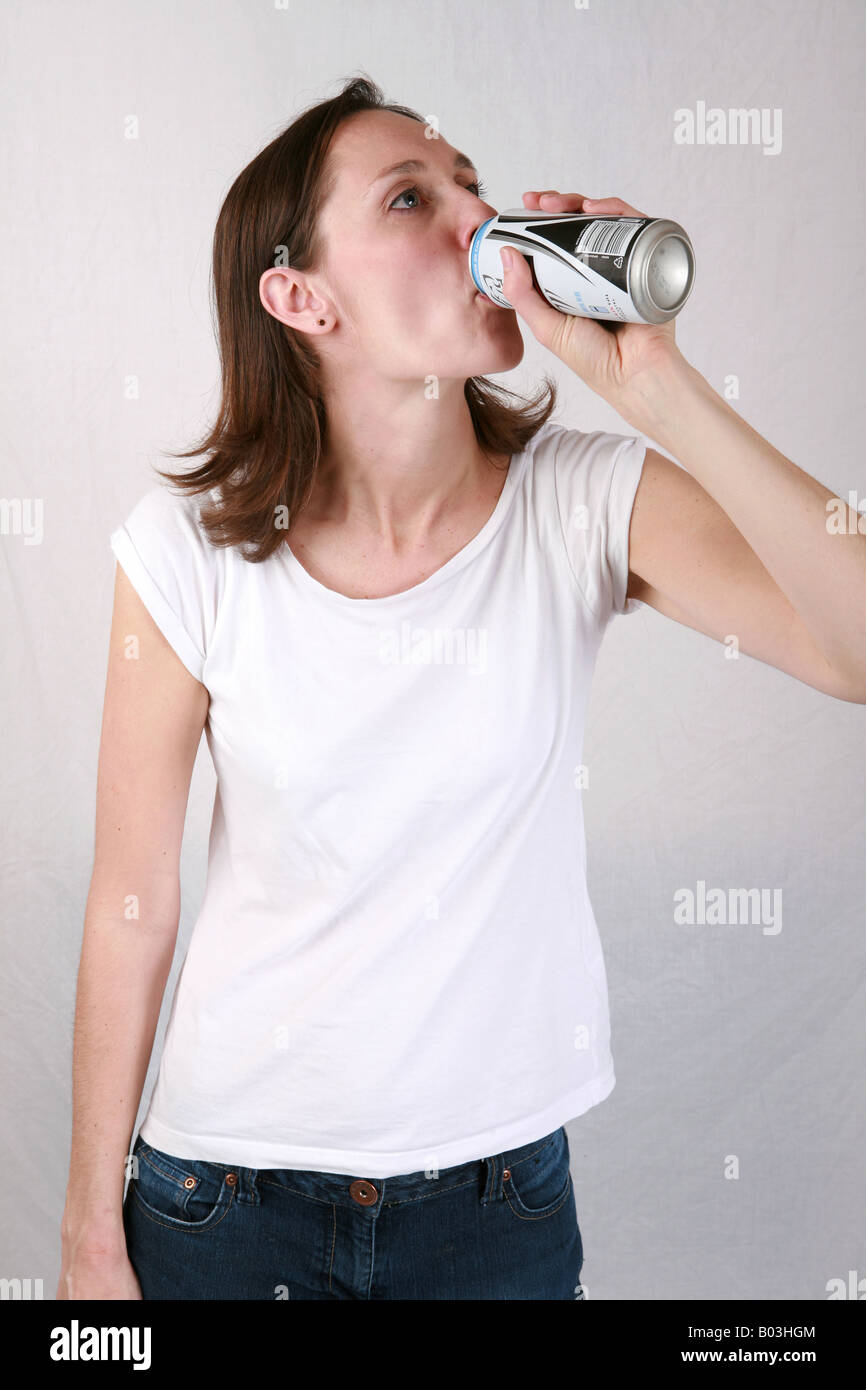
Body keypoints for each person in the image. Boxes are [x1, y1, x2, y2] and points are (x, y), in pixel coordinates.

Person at [57, 75, 866, 1302]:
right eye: (408, 197)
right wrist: (87, 1236)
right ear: (299, 297)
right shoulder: (186, 554)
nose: (474, 222)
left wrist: (657, 389)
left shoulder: (579, 499)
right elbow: (131, 902)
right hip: (224, 1203)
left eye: (470, 186)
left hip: (496, 1211)